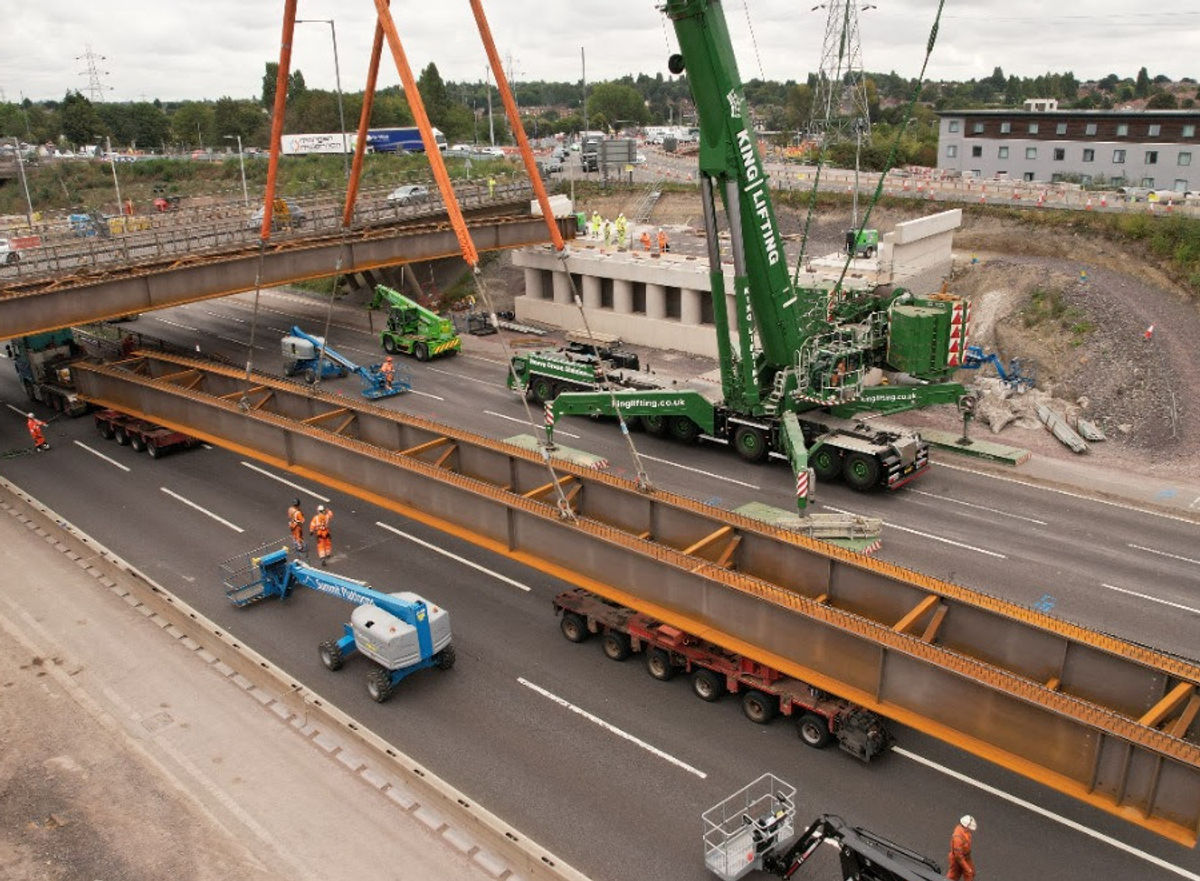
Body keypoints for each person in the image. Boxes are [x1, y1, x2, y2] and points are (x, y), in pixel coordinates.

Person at [946, 815, 976, 881]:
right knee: (953, 876)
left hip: (966, 856)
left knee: (970, 873)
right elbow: (958, 856)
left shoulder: (966, 832)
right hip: (957, 859)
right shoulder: (958, 837)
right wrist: (966, 867)